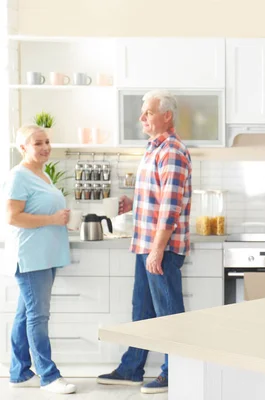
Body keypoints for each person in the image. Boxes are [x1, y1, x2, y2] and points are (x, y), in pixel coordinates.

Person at [97, 90, 192, 394]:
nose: (142, 118)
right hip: (146, 244)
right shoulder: (154, 148)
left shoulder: (172, 151)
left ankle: (175, 371)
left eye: (148, 113)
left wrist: (158, 249)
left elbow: (170, 206)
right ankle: (132, 367)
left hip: (158, 247)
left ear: (167, 116)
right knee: (142, 311)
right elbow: (156, 197)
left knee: (168, 313)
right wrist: (133, 202)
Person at [3, 124, 76, 394]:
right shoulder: (19, 176)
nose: (45, 147)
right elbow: (13, 217)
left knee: (26, 315)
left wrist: (60, 219)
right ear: (23, 148)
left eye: (47, 142)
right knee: (37, 317)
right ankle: (48, 376)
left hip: (44, 255)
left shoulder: (41, 174)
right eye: (38, 143)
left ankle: (20, 373)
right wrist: (52, 219)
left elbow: (38, 208)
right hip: (31, 257)